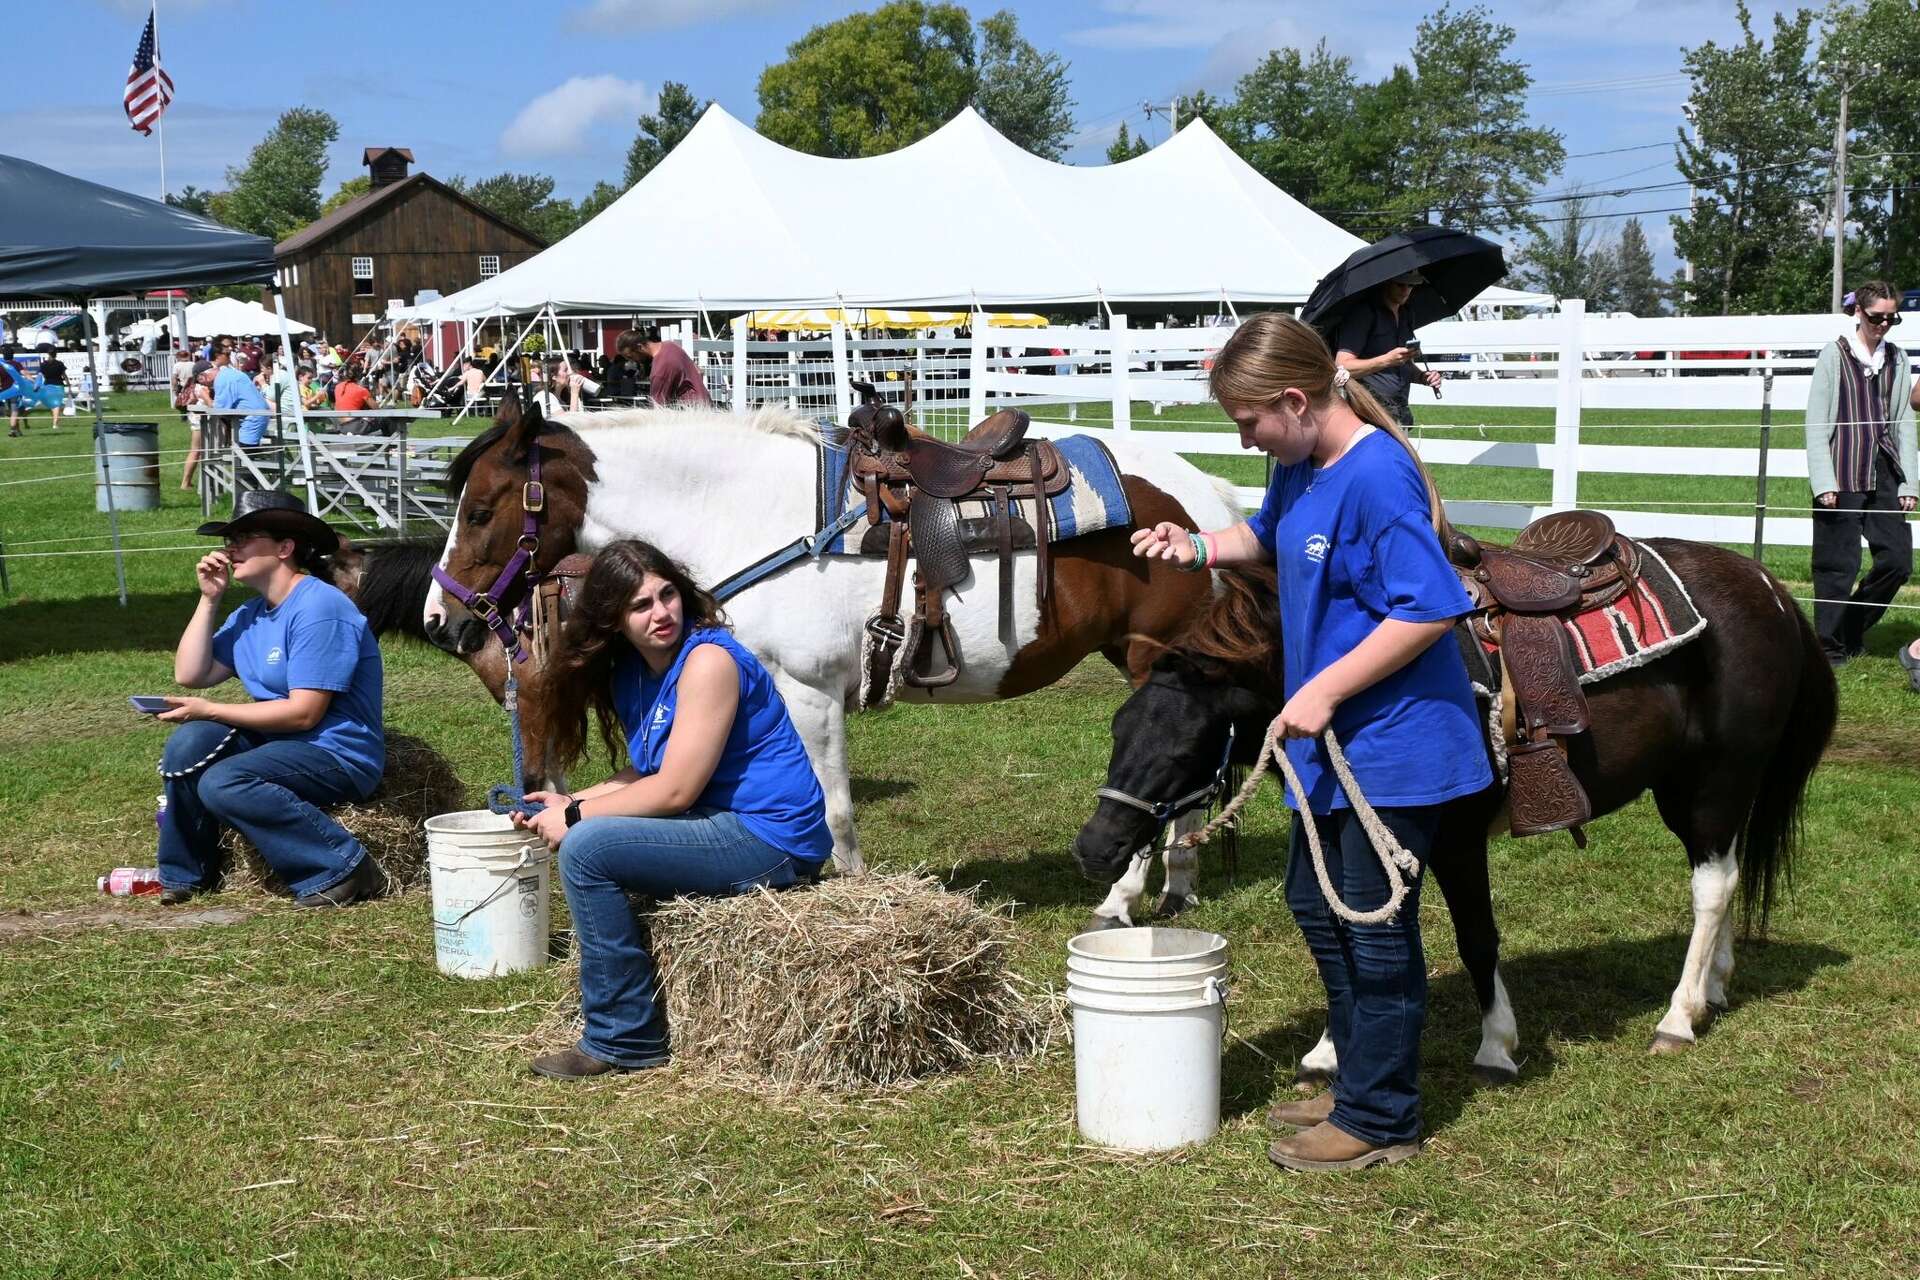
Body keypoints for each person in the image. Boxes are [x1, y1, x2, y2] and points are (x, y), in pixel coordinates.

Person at [1131, 312, 1491, 1171]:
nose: (1245, 437)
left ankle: (1381, 1119)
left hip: (1391, 745)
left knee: (1374, 926)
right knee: (1314, 907)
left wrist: (1323, 688)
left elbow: (1432, 607)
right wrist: (1197, 547)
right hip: (1327, 744)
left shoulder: (1378, 479)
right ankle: (1360, 1082)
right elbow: (1269, 534)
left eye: (1248, 422)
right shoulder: (1302, 464)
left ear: (1294, 400)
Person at [511, 540, 833, 1079]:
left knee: (589, 851)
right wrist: (574, 799)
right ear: (613, 620)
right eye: (641, 606)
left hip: (770, 840)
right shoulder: (634, 674)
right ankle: (624, 1023)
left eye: (667, 595)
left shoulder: (708, 661)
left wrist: (574, 820)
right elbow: (650, 768)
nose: (661, 613)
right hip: (717, 821)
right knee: (590, 834)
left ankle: (624, 1039)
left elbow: (677, 790)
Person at [154, 490, 386, 909]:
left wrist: (209, 710)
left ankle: (344, 868)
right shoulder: (250, 615)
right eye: (230, 540)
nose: (230, 548)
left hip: (336, 753)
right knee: (189, 745)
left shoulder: (320, 608)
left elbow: (304, 714)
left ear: (284, 548)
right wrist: (209, 598)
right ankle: (188, 872)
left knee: (224, 781)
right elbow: (191, 674)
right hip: (282, 745)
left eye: (245, 537)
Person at [1805, 279, 1916, 668]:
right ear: (1859, 312)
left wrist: (1909, 482)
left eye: (1892, 318)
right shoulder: (1833, 356)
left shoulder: (1898, 360)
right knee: (1838, 565)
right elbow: (1817, 423)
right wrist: (1824, 482)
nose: (1884, 325)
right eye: (1876, 317)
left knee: (1898, 561)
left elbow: (1903, 422)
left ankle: (1851, 625)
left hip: (1885, 470)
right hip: (1842, 470)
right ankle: (1828, 648)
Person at [1329, 271, 1444, 427]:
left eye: (1411, 285)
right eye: (1400, 284)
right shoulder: (1363, 313)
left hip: (1400, 410)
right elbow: (1342, 366)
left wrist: (1423, 377)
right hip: (1367, 414)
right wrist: (1387, 360)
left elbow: (1404, 365)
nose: (1406, 290)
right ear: (1386, 282)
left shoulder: (1406, 314)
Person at [617, 326, 711, 407]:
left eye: (630, 356)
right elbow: (699, 371)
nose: (632, 360)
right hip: (705, 405)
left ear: (640, 347)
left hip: (689, 414)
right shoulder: (670, 345)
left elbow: (658, 408)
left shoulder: (659, 370)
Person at [212, 347, 271, 446]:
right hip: (258, 415)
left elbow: (220, 408)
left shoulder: (223, 377)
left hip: (253, 418)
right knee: (244, 453)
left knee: (244, 454)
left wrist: (205, 397)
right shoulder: (235, 374)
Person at [38, 349, 67, 429]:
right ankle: (55, 423)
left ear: (48, 354)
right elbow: (64, 375)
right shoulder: (60, 364)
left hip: (47, 386)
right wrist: (68, 384)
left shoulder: (43, 364)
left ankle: (55, 420)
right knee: (57, 404)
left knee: (53, 404)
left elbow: (41, 375)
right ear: (55, 354)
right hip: (58, 385)